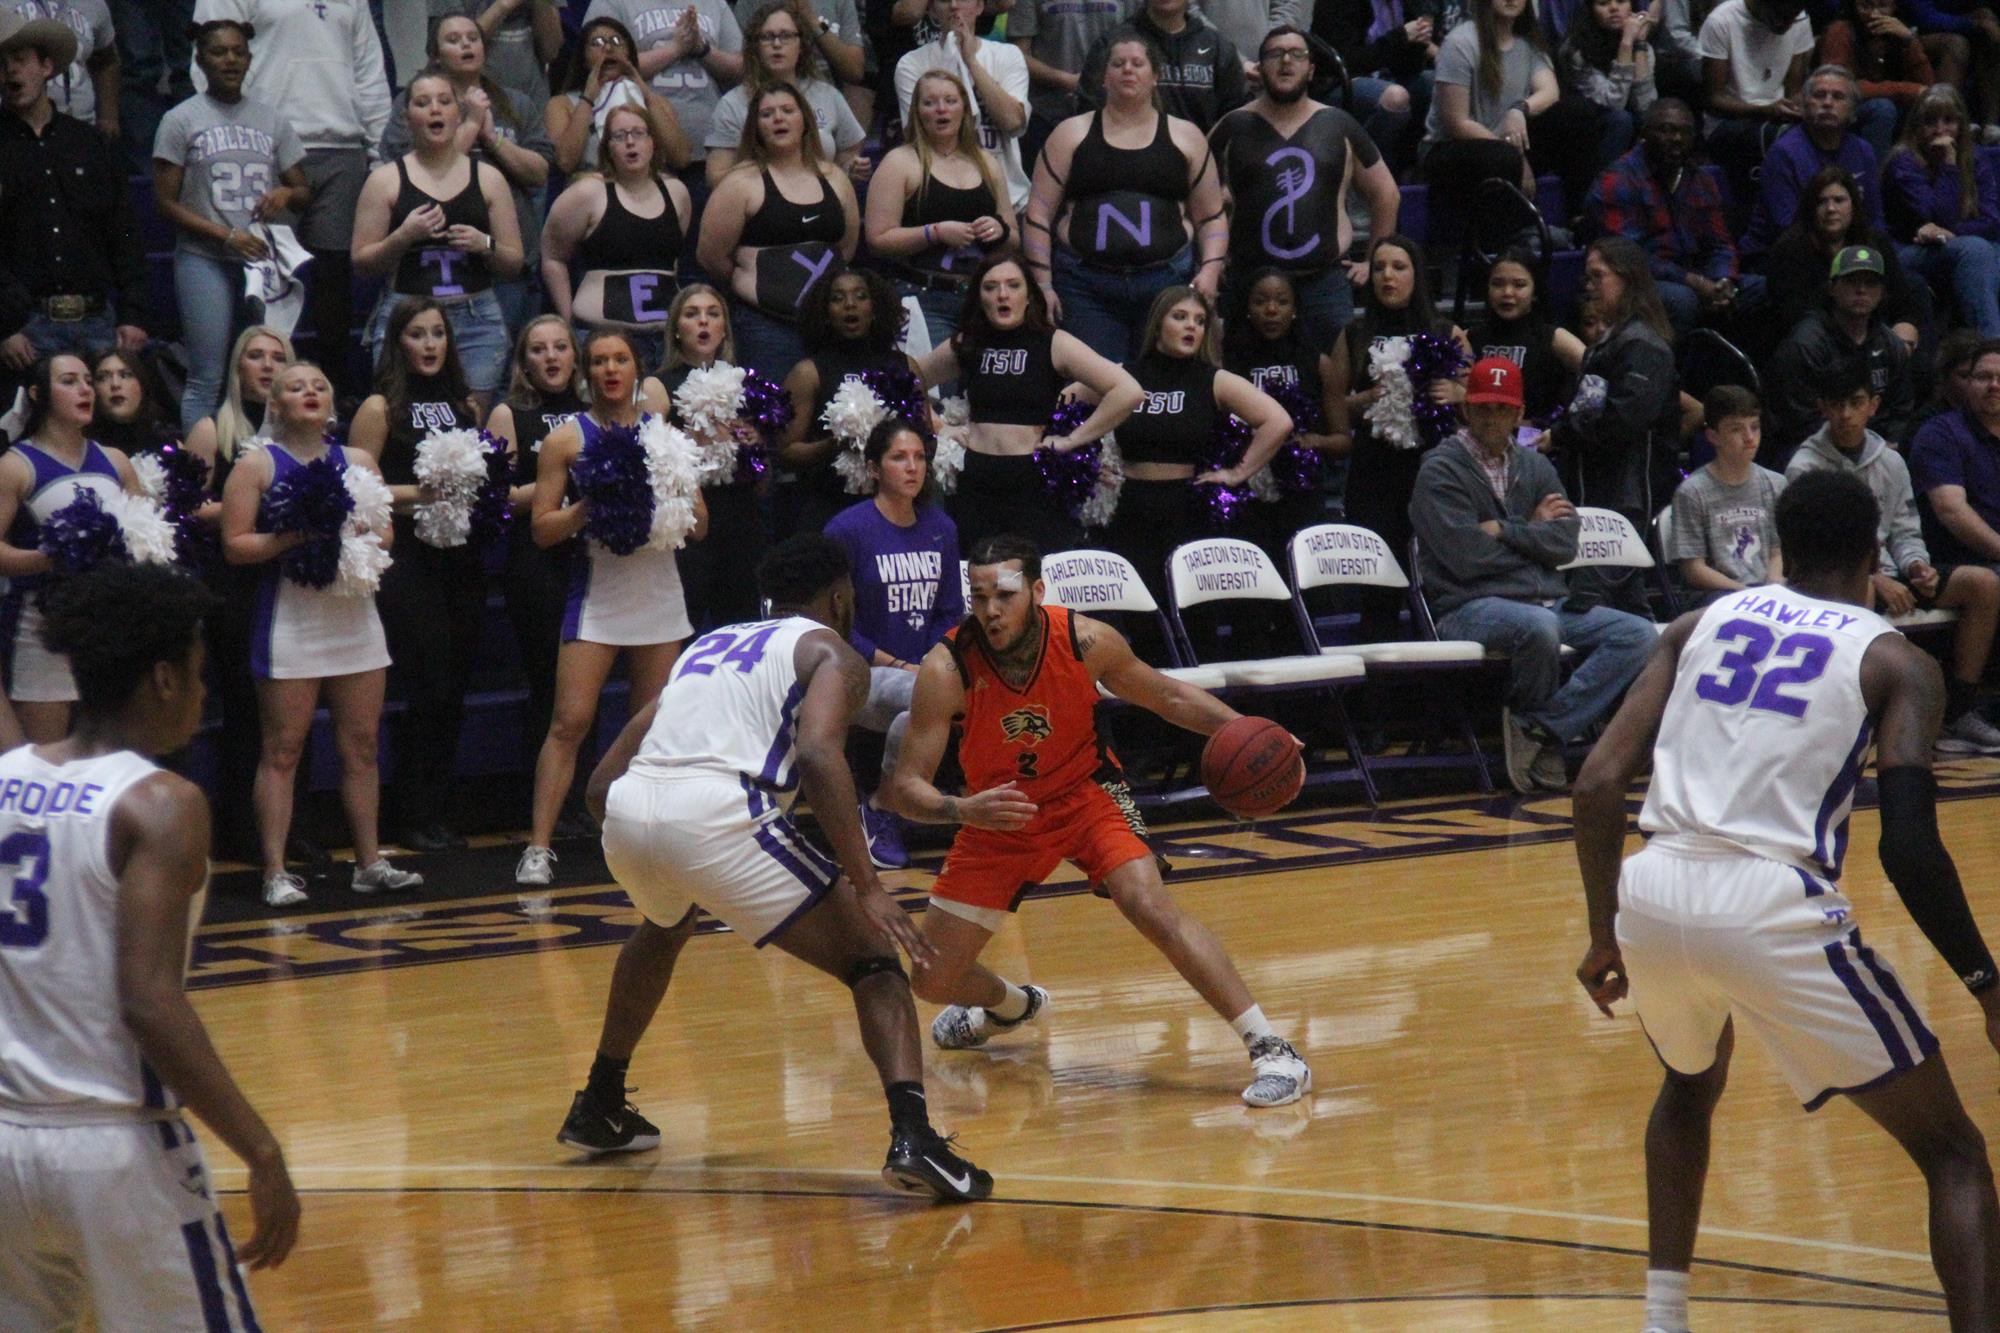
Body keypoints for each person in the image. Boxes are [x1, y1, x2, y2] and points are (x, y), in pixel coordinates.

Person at [1571, 466, 2000, 1333]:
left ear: (1779, 546)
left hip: (1653, 884)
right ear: (1874, 552)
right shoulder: (1896, 659)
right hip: (1770, 896)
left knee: (1688, 1082)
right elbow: (1909, 848)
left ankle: (1664, 1318)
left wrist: (1603, 932)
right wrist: (1985, 981)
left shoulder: (1696, 623)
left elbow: (1596, 782)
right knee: (1953, 1151)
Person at [553, 533, 994, 1202]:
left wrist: (645, 835)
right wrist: (868, 886)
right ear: (840, 598)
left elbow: (601, 780)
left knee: (663, 925)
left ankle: (600, 1103)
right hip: (718, 814)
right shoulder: (831, 651)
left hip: (629, 807)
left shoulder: (707, 646)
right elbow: (818, 752)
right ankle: (915, 1139)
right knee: (875, 964)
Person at [886, 533, 1313, 1107]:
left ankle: (1273, 1050)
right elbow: (904, 787)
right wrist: (962, 809)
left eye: (1005, 595)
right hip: (1001, 814)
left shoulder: (1085, 640)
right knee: (931, 979)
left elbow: (1169, 698)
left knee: (1148, 905)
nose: (991, 610)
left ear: (1037, 591)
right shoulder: (946, 667)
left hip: (1085, 793)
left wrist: (1252, 732)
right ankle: (1012, 1006)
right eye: (979, 597)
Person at [0, 562, 300, 1330]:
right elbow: (149, 1002)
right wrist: (261, 1150)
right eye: (198, 674)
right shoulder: (160, 802)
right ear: (163, 678)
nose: (202, 694)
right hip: (115, 1147)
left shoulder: (3, 779)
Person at [218, 360, 421, 906]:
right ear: (276, 404)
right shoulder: (257, 465)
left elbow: (386, 536)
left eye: (319, 385)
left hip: (354, 618)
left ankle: (370, 863)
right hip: (291, 621)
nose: (309, 392)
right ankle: (275, 871)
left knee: (362, 746)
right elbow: (235, 545)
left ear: (332, 401)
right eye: (295, 387)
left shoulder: (358, 461)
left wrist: (354, 532)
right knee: (283, 749)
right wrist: (296, 536)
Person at [1413, 355, 1658, 793]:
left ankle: (1541, 727)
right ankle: (1545, 733)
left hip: (1545, 600)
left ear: (1519, 413)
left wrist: (1506, 529)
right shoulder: (1440, 469)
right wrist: (1533, 534)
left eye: (1503, 408)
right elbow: (1466, 557)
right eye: (1483, 407)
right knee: (1539, 626)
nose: (1493, 417)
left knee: (1638, 635)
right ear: (1466, 409)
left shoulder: (1537, 466)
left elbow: (1564, 543)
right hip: (1467, 606)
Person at [517, 329, 707, 889]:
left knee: (652, 725)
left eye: (620, 359)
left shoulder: (666, 436)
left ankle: (645, 842)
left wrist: (668, 497)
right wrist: (589, 506)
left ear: (636, 369)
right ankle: (538, 848)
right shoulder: (566, 439)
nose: (610, 369)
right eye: (599, 361)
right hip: (598, 595)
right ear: (587, 371)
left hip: (659, 594)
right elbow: (542, 529)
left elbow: (701, 525)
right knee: (569, 722)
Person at [1789, 357, 2000, 753]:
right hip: (1833, 582)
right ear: (1822, 408)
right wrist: (1873, 578)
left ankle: (1957, 711)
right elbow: (1812, 550)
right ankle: (1850, 716)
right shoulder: (1804, 467)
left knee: (1983, 584)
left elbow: (1905, 528)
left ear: (1874, 405)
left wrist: (1917, 565)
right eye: (1837, 404)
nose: (1846, 414)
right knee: (1862, 594)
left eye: (1855, 402)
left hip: (1889, 572)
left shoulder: (1890, 461)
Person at [190, 0, 392, 401]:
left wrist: (379, 152)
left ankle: (329, 398)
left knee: (333, 280)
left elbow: (369, 70)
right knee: (268, 283)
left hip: (341, 146)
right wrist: (229, 126)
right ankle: (259, 402)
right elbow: (208, 55)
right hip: (266, 143)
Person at [347, 298, 487, 855]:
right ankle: (408, 812)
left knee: (454, 685)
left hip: (462, 556)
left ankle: (437, 809)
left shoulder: (467, 405)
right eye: (417, 334)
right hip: (407, 556)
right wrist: (424, 493)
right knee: (425, 681)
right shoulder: (380, 407)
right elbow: (358, 485)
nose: (429, 344)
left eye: (437, 334)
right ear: (397, 343)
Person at [1099, 285, 1291, 653]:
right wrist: (1091, 462)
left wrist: (1238, 473)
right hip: (1131, 511)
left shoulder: (1212, 379)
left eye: (1200, 321)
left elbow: (1277, 421)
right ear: (1158, 324)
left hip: (1186, 511)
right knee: (1142, 623)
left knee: (1194, 624)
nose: (1192, 326)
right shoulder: (1123, 376)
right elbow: (1065, 404)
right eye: (1180, 317)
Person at [913, 253, 1141, 553]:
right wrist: (939, 426)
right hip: (977, 480)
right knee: (977, 571)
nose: (1002, 295)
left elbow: (1128, 391)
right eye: (990, 287)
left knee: (1038, 575)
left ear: (1030, 296)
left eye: (1013, 285)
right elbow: (909, 378)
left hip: (1033, 483)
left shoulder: (1054, 343)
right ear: (979, 297)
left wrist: (1074, 440)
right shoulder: (967, 343)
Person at [1026, 32, 1226, 364]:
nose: (1128, 70)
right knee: (1094, 385)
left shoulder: (1187, 136)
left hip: (1167, 284)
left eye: (1137, 63)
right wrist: (1043, 284)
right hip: (1085, 287)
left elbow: (1211, 217)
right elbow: (1038, 213)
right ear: (1104, 78)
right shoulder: (1070, 134)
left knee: (1162, 384)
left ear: (1155, 75)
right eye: (1118, 64)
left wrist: (1210, 271)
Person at [151, 18, 308, 431]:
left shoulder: (272, 120)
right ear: (200, 60)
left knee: (268, 374)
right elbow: (164, 202)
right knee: (207, 376)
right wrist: (226, 235)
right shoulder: (180, 120)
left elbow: (304, 191)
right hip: (204, 258)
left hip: (261, 262)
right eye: (219, 52)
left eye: (238, 51)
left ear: (250, 58)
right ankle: (198, 465)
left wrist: (285, 193)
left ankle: (267, 454)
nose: (230, 60)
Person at [1208, 25, 1399, 351]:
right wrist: (1212, 261)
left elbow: (1386, 194)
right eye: (1275, 54)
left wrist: (1373, 261)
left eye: (1296, 54)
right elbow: (1198, 199)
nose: (1286, 61)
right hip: (1249, 281)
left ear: (1310, 69)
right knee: (1243, 374)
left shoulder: (1340, 124)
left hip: (1322, 282)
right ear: (1259, 68)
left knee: (1335, 369)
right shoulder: (1231, 126)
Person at [825, 418, 962, 870]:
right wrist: (901, 665)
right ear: (873, 468)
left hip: (922, 671)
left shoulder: (941, 528)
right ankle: (890, 805)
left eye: (920, 457)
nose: (912, 467)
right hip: (857, 674)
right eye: (899, 457)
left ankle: (884, 803)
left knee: (937, 697)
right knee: (926, 694)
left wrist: (931, 660)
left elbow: (949, 611)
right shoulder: (847, 530)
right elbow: (833, 623)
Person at [351, 68, 524, 404]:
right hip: (407, 314)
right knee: (404, 417)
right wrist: (403, 237)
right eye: (423, 103)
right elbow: (362, 263)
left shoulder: (489, 178)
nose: (435, 109)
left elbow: (514, 262)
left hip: (476, 317)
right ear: (407, 118)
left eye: (445, 101)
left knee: (470, 424)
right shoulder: (385, 180)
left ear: (459, 114)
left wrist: (484, 245)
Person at [1328, 234, 1469, 641]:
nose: (1387, 276)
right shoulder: (1354, 334)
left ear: (1416, 275)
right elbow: (1334, 408)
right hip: (1373, 474)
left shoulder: (1446, 331)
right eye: (1378, 268)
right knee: (1378, 590)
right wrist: (1365, 400)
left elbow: (1482, 403)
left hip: (1433, 473)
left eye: (1398, 267)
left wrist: (1458, 393)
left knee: (1436, 583)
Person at [380, 15, 556, 338]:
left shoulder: (516, 103)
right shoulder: (414, 106)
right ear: (435, 55)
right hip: (432, 266)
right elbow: (417, 168)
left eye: (473, 38)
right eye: (454, 40)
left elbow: (539, 173)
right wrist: (472, 124)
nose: (466, 45)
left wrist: (493, 139)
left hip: (503, 261)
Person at [185, 323, 289, 857]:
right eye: (255, 356)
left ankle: (287, 830)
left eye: (277, 357)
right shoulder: (212, 429)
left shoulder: (302, 430)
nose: (267, 366)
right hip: (234, 583)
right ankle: (240, 830)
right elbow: (186, 507)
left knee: (289, 712)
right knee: (247, 709)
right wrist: (253, 502)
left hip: (290, 579)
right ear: (236, 366)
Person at [0, 352, 141, 744]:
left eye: (88, 380)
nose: (86, 390)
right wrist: (48, 558)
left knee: (106, 763)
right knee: (45, 766)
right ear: (37, 393)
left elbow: (148, 538)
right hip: (40, 634)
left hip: (108, 632)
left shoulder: (115, 461)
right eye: (69, 381)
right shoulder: (16, 466)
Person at [0, 13, 146, 381]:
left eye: (20, 60)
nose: (10, 71)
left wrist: (133, 313)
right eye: (1, 64)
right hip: (25, 326)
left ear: (46, 67)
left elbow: (123, 231)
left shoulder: (89, 143)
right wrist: (5, 326)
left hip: (95, 319)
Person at [695, 81, 861, 382]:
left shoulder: (835, 177)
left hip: (829, 325)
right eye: (767, 114)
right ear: (755, 127)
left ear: (805, 120)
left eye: (787, 111)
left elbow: (846, 247)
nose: (778, 119)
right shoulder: (738, 183)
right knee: (772, 407)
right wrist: (760, 283)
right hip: (765, 326)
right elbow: (711, 256)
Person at [485, 315, 585, 817]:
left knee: (584, 688)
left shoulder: (592, 410)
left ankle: (581, 799)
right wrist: (556, 487)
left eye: (560, 347)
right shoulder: (509, 413)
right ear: (523, 361)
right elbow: (494, 495)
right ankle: (546, 804)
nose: (551, 357)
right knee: (550, 682)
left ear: (574, 356)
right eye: (539, 349)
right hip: (535, 558)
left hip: (590, 557)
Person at [1552, 237, 1680, 580]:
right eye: (1587, 277)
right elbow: (1587, 407)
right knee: (1614, 594)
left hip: (1628, 493)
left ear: (1628, 278)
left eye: (1598, 276)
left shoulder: (1644, 346)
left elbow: (1621, 420)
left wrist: (1560, 434)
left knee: (1600, 590)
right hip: (1599, 486)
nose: (1590, 286)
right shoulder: (1612, 340)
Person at [863, 68, 1013, 350]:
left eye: (950, 101)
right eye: (930, 102)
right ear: (917, 112)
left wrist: (999, 229)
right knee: (930, 378)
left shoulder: (987, 163)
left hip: (981, 297)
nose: (941, 109)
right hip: (923, 296)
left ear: (965, 109)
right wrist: (934, 233)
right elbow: (877, 239)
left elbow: (1014, 237)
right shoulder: (900, 162)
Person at [540, 101, 693, 373]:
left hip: (667, 340)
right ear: (607, 147)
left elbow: (671, 261)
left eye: (638, 133)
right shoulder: (586, 194)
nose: (630, 142)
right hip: (602, 338)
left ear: (653, 142)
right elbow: (553, 256)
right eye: (619, 136)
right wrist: (568, 321)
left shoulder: (677, 193)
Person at [652, 282, 766, 632]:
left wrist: (754, 446)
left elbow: (763, 476)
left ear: (724, 329)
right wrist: (690, 442)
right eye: (692, 314)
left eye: (713, 314)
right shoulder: (658, 385)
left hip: (741, 514)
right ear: (676, 329)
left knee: (741, 626)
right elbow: (652, 458)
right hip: (688, 518)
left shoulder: (747, 384)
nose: (703, 321)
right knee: (683, 624)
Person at [1421, 0, 1599, 221]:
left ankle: (1579, 218)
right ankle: (1513, 233)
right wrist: (1516, 155)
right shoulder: (1460, 42)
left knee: (1578, 113)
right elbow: (1456, 123)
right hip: (1452, 148)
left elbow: (1550, 91)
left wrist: (1519, 111)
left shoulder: (1528, 41)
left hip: (1509, 141)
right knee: (1502, 158)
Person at [779, 267, 924, 535]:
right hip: (830, 507)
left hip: (898, 507)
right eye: (838, 298)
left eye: (860, 296)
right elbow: (786, 453)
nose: (850, 304)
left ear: (875, 308)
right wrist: (836, 444)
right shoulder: (808, 373)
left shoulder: (905, 366)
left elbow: (927, 438)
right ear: (824, 313)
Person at [1222, 267, 1349, 553]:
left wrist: (1314, 441)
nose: (1271, 310)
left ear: (1295, 309)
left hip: (1301, 491)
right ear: (1246, 308)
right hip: (1246, 491)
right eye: (1260, 301)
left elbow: (1343, 441)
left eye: (1282, 301)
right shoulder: (1228, 365)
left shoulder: (1320, 364)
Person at [580, 0, 746, 201]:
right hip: (642, 153)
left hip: (708, 145)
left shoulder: (715, 3)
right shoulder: (612, 3)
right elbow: (605, 63)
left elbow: (741, 68)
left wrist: (702, 49)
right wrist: (675, 49)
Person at [1767, 244, 1918, 459]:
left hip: (1877, 449)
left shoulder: (1890, 344)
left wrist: (1885, 445)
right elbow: (1797, 419)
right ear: (1832, 288)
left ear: (1882, 293)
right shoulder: (1805, 345)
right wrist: (1855, 446)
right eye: (1851, 281)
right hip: (1814, 450)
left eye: (1870, 283)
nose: (1861, 290)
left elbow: (1901, 410)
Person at [1883, 83, 2000, 339]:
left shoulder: (1975, 158)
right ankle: (1991, 346)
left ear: (1961, 124)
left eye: (1949, 121)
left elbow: (1992, 221)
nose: (1940, 130)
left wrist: (1952, 233)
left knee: (1989, 253)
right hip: (1908, 250)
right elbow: (1936, 215)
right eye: (1930, 121)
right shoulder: (1903, 162)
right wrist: (1948, 166)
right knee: (1976, 251)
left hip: (1953, 244)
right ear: (1916, 125)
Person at [1765, 164, 1927, 347]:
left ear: (1853, 205)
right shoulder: (1789, 249)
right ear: (1811, 208)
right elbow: (1793, 317)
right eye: (1821, 201)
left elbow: (1902, 300)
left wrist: (1905, 329)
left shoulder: (1874, 242)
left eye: (1839, 200)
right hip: (1815, 343)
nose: (1831, 208)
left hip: (1871, 335)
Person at [707, 0, 864, 185]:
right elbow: (715, 177)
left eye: (786, 36)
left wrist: (849, 167)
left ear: (801, 45)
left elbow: (849, 151)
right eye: (767, 37)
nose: (776, 44)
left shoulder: (827, 94)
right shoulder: (732, 103)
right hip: (759, 198)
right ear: (755, 47)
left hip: (822, 195)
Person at [1741, 65, 1891, 255]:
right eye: (1819, 95)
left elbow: (1874, 218)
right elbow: (1787, 227)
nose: (1827, 103)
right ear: (1804, 105)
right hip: (1780, 255)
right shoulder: (1784, 153)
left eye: (1838, 97)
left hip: (1846, 251)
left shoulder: (1863, 150)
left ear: (1852, 108)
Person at [895, 0, 1029, 209]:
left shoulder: (1007, 55)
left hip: (1007, 200)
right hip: (943, 201)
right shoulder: (912, 64)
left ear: (979, 7)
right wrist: (952, 56)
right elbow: (916, 137)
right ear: (932, 11)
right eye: (944, 0)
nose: (954, 5)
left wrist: (971, 62)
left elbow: (1013, 123)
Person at [1665, 386, 1786, 601]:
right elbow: (1693, 569)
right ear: (1713, 436)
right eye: (1736, 430)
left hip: (1765, 590)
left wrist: (1774, 581)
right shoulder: (1692, 492)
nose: (1749, 438)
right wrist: (1744, 593)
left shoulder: (1776, 483)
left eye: (1755, 427)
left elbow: (1777, 551)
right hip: (1716, 594)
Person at [1696, 0, 1814, 208]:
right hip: (1729, 121)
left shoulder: (1799, 19)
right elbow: (1713, 100)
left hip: (1775, 114)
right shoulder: (1721, 21)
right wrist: (1764, 111)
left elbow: (1794, 90)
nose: (1787, 25)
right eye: (1781, 18)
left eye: (1792, 20)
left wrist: (1798, 108)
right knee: (1784, 139)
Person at [544, 15, 690, 178]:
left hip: (648, 184)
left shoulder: (656, 102)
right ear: (583, 58)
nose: (608, 47)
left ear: (629, 53)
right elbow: (565, 162)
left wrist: (647, 97)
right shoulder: (561, 104)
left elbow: (681, 159)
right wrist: (587, 99)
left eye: (616, 41)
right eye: (597, 42)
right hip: (592, 185)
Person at [1463, 247, 1586, 437]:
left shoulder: (1555, 338)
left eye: (1519, 285)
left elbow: (1600, 377)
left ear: (1535, 289)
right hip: (1481, 440)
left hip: (1536, 444)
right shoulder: (1469, 338)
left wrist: (1559, 428)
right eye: (1497, 284)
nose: (1507, 292)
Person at [1075, 0, 1246, 134]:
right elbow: (1089, 109)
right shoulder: (1113, 43)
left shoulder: (1217, 47)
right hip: (1125, 158)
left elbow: (1234, 116)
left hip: (1200, 157)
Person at [1009, 0, 1133, 167]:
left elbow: (1138, 43)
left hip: (1111, 113)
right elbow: (1016, 54)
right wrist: (1064, 79)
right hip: (1046, 115)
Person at [1320, 0, 1440, 171]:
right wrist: (1400, 37)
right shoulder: (1341, 5)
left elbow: (1410, 66)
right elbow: (1348, 61)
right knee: (1395, 97)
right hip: (1342, 83)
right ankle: (1370, 173)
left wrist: (1417, 43)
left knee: (1433, 82)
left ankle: (1417, 169)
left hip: (1390, 77)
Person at [1911, 339, 2000, 565]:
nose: (1994, 385)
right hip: (1967, 562)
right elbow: (1951, 511)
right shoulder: (1940, 434)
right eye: (1984, 377)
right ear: (1968, 383)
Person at [1558, 0, 1658, 165]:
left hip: (1626, 116)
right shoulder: (1576, 50)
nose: (1614, 8)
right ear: (1591, 11)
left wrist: (1639, 44)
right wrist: (1626, 43)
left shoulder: (1643, 47)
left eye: (1621, 1)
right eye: (1603, 3)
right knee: (1621, 120)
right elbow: (1613, 102)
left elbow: (1646, 108)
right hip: (1588, 125)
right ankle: (1607, 178)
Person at [426, 0, 566, 106]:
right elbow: (439, 50)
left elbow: (551, 52)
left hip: (532, 103)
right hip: (468, 102)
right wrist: (503, 5)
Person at [8, 0, 117, 132]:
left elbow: (106, 61)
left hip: (82, 126)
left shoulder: (93, 5)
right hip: (15, 128)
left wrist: (108, 117)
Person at [1819, 0, 1936, 122]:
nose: (1874, 14)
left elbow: (1927, 90)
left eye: (1883, 6)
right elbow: (1840, 86)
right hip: (1847, 108)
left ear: (1894, 6)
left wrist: (1910, 41)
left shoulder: (1898, 33)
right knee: (1883, 108)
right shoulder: (1840, 30)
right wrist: (1906, 90)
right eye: (1865, 6)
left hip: (1894, 106)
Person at [85, 346, 176, 457]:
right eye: (102, 378)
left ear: (142, 385)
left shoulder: (167, 442)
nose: (115, 384)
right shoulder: (81, 449)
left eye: (125, 375)